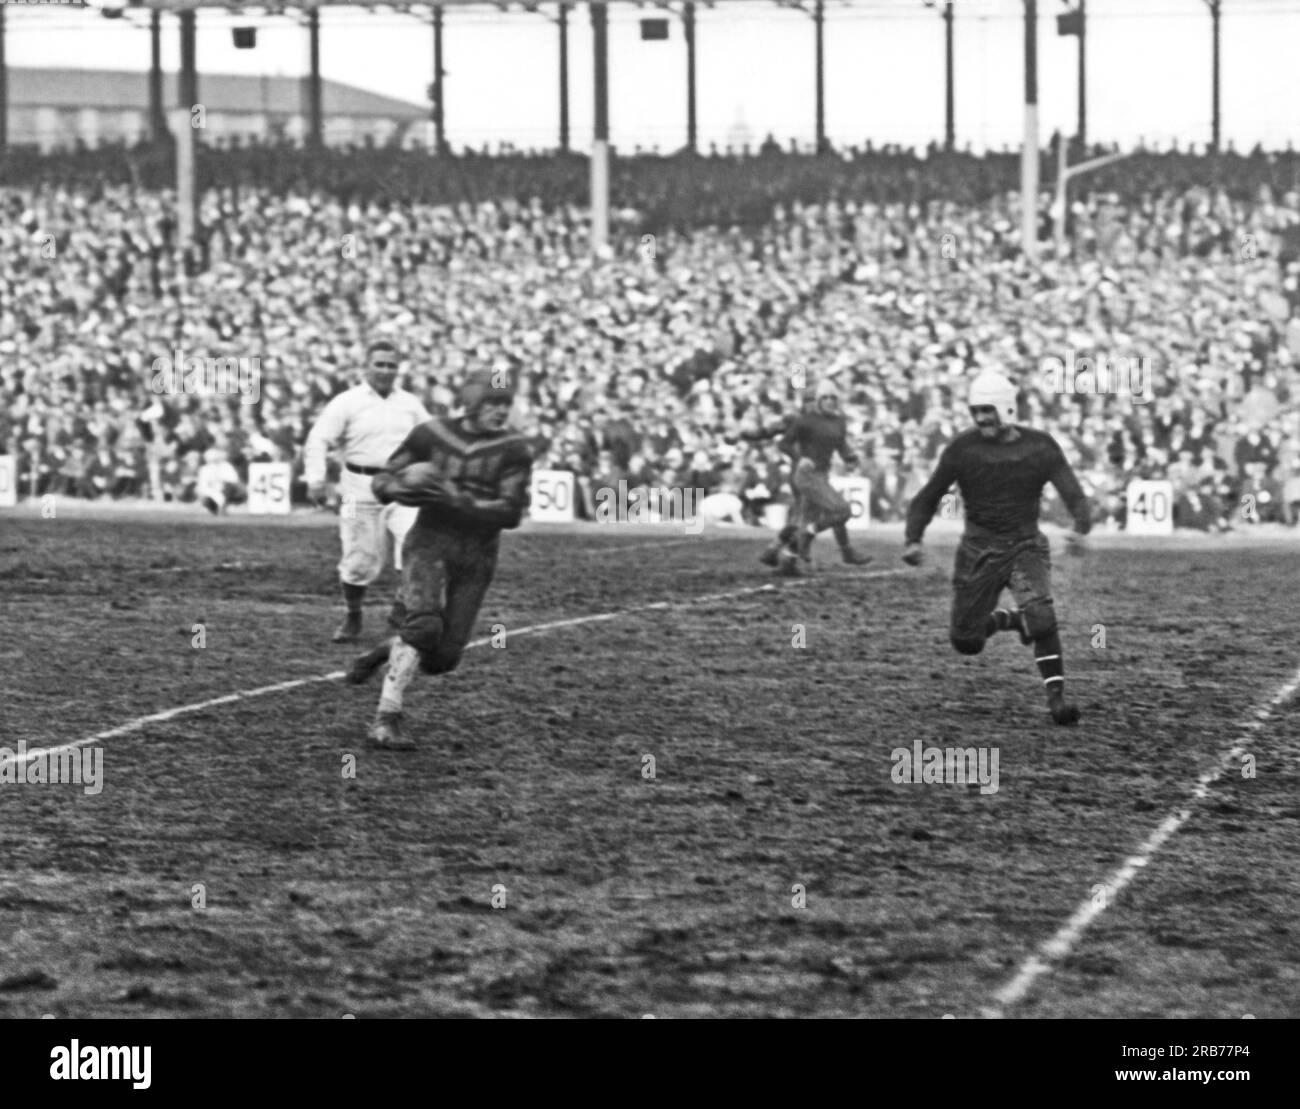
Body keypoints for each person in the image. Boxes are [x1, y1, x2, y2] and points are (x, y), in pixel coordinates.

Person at [345, 368, 534, 750]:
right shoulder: (431, 434)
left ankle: (386, 649)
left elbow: (510, 512)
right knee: (426, 626)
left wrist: (456, 498)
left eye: (504, 404)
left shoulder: (515, 448)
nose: (499, 412)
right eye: (492, 403)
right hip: (430, 541)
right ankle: (386, 719)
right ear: (472, 402)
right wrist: (399, 488)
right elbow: (384, 479)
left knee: (442, 658)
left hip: (479, 552)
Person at [902, 370, 1091, 726]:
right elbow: (929, 495)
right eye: (976, 411)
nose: (982, 418)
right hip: (978, 549)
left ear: (1007, 408)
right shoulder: (963, 448)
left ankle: (1057, 698)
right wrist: (913, 537)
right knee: (966, 641)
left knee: (1041, 614)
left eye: (988, 410)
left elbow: (1073, 492)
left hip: (1025, 546)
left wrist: (1080, 528)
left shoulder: (1039, 446)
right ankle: (1010, 620)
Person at [303, 340, 430, 643]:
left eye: (391, 365)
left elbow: (432, 437)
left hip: (401, 485)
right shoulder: (347, 401)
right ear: (366, 366)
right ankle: (353, 615)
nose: (386, 370)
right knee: (359, 557)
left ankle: (399, 615)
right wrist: (316, 479)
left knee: (413, 544)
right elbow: (318, 438)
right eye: (380, 364)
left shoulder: (410, 403)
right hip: (355, 487)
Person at [758, 378, 872, 574]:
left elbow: (841, 445)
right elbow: (783, 443)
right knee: (840, 511)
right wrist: (799, 457)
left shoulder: (839, 422)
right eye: (824, 397)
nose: (829, 401)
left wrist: (850, 458)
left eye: (833, 398)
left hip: (821, 474)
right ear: (816, 401)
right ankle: (843, 550)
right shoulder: (802, 420)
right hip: (806, 475)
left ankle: (784, 560)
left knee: (805, 519)